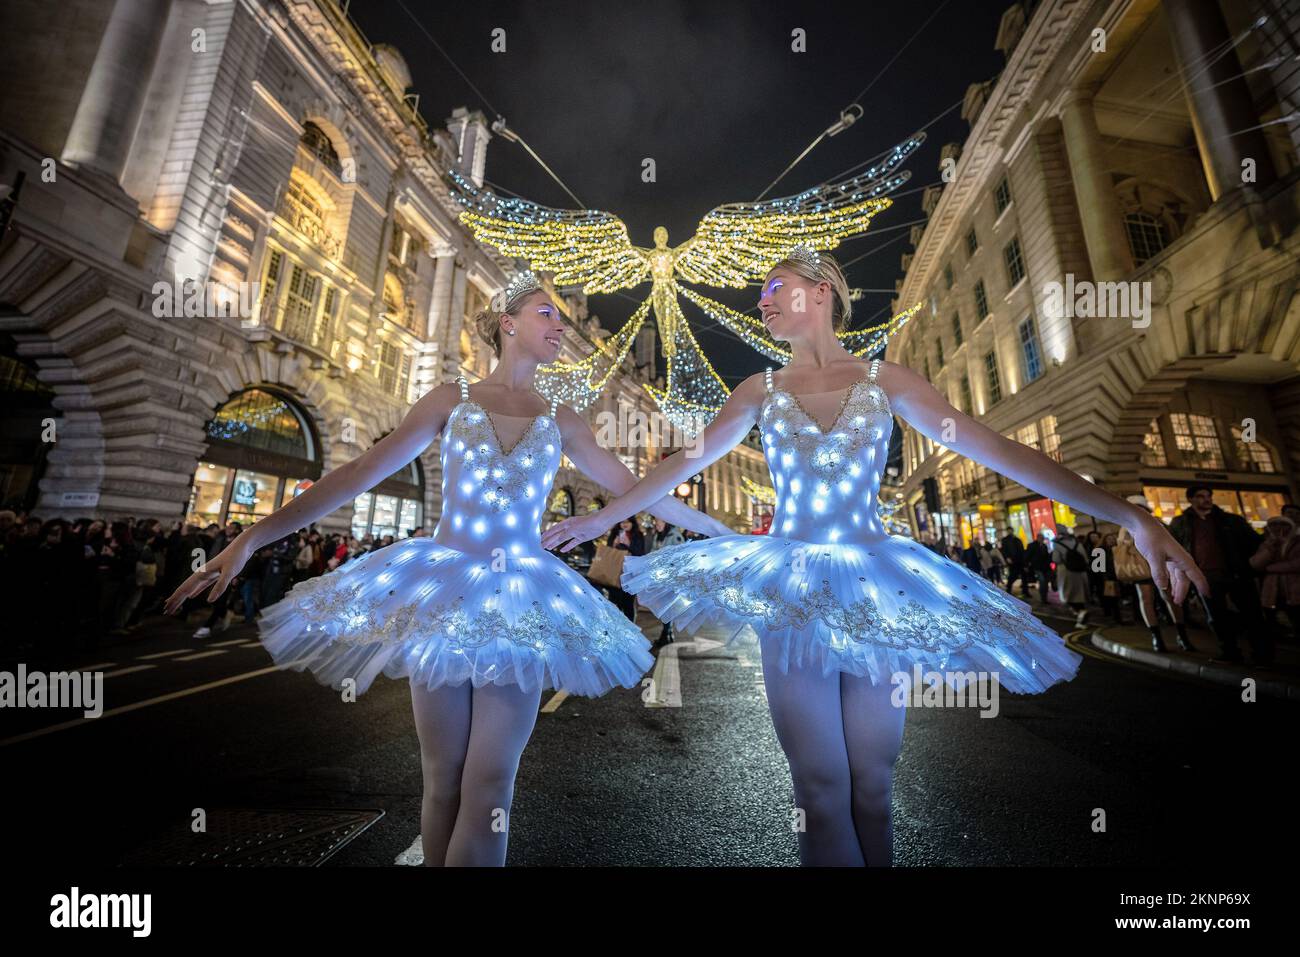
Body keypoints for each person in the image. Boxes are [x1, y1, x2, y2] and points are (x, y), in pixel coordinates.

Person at [541, 248, 1206, 866]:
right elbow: (678, 466)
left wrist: (1131, 514)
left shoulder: (886, 380)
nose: (764, 303)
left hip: (874, 587)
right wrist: (603, 514)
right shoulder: (758, 390)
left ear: (822, 291)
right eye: (762, 295)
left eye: (776, 289)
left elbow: (999, 450)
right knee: (822, 786)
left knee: (872, 784)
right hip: (793, 587)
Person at [164, 271, 730, 867]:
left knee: (490, 784)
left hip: (520, 598)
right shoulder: (450, 399)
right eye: (547, 314)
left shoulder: (563, 418)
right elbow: (357, 474)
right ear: (507, 323)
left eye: (561, 317)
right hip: (441, 590)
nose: (560, 326)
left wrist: (721, 531)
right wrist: (253, 536)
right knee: (444, 779)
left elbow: (639, 489)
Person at [1168, 485, 1268, 664]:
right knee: (1216, 617)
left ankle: (1261, 654)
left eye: (1208, 496)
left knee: (1252, 615)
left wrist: (1250, 566)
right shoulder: (1180, 523)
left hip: (1236, 574)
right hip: (1205, 577)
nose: (1206, 499)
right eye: (1201, 496)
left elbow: (1255, 543)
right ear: (1191, 499)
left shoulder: (1231, 520)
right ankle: (1230, 652)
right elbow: (1174, 549)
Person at [1113, 496, 1193, 653]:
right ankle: (1157, 637)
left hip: (1162, 565)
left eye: (1140, 508)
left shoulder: (1159, 523)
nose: (1138, 511)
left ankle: (1182, 636)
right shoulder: (1126, 527)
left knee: (1171, 599)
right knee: (1146, 600)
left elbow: (1173, 542)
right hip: (1140, 569)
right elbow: (1121, 547)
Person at [1248, 514, 1300, 649]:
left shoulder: (1297, 542)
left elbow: (1296, 564)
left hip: (1295, 589)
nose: (1279, 528)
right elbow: (1255, 564)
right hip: (1273, 590)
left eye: (1283, 525)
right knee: (1271, 622)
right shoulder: (1267, 544)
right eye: (1275, 525)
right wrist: (1270, 547)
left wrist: (1271, 568)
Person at [647, 519, 685, 647]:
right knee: (664, 606)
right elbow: (653, 553)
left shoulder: (675, 536)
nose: (656, 524)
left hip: (672, 578)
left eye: (659, 522)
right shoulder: (658, 535)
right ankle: (668, 633)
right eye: (656, 522)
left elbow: (682, 556)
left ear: (667, 523)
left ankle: (666, 634)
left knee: (667, 606)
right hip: (660, 578)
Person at [603, 518, 645, 621]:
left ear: (632, 523)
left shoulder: (638, 535)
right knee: (614, 603)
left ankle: (630, 630)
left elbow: (640, 554)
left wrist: (628, 545)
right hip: (614, 574)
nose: (624, 524)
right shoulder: (614, 534)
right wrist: (613, 545)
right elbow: (608, 552)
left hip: (629, 574)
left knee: (628, 604)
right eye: (622, 521)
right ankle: (615, 629)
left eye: (627, 521)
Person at [1051, 524, 1092, 627]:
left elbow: (1056, 559)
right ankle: (1081, 615)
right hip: (1080, 572)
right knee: (1080, 595)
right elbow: (1085, 558)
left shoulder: (1057, 544)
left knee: (1068, 595)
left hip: (1066, 572)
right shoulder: (1077, 542)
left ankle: (1081, 614)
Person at [1000, 530, 1030, 599]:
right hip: (1012, 560)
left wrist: (1024, 560)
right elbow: (1004, 550)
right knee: (1013, 575)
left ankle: (1025, 591)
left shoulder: (1017, 539)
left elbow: (1021, 549)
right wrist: (1007, 558)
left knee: (1024, 576)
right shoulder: (1005, 540)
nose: (1010, 532)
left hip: (1020, 560)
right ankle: (1008, 588)